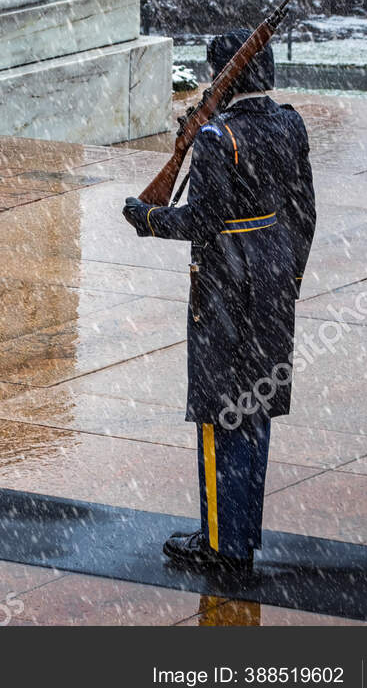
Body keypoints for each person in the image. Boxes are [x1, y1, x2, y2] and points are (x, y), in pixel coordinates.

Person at [121, 31, 315, 574]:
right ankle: (241, 535)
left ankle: (219, 544)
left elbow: (202, 225)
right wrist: (285, 277)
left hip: (224, 291)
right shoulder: (290, 125)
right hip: (274, 289)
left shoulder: (217, 139)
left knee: (219, 417)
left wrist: (149, 219)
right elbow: (305, 215)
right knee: (254, 411)